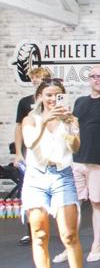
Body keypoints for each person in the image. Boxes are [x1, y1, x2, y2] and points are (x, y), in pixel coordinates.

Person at [21, 78, 91, 268]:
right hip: (36, 178)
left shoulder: (70, 120)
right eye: (48, 95)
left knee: (69, 234)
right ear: (39, 97)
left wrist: (70, 126)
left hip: (62, 175)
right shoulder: (30, 120)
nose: (52, 99)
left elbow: (75, 147)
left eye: (57, 95)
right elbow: (30, 143)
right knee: (39, 234)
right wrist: (45, 122)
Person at [53, 66, 100, 264]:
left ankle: (97, 245)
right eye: (96, 76)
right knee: (73, 205)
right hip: (77, 160)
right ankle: (69, 246)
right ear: (90, 79)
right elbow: (73, 127)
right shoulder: (79, 102)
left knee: (97, 202)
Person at [14, 67, 52, 245]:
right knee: (30, 194)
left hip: (51, 155)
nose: (38, 81)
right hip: (31, 154)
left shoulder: (53, 101)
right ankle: (31, 231)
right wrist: (17, 154)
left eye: (42, 78)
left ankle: (55, 228)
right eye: (35, 78)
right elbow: (19, 128)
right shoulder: (24, 102)